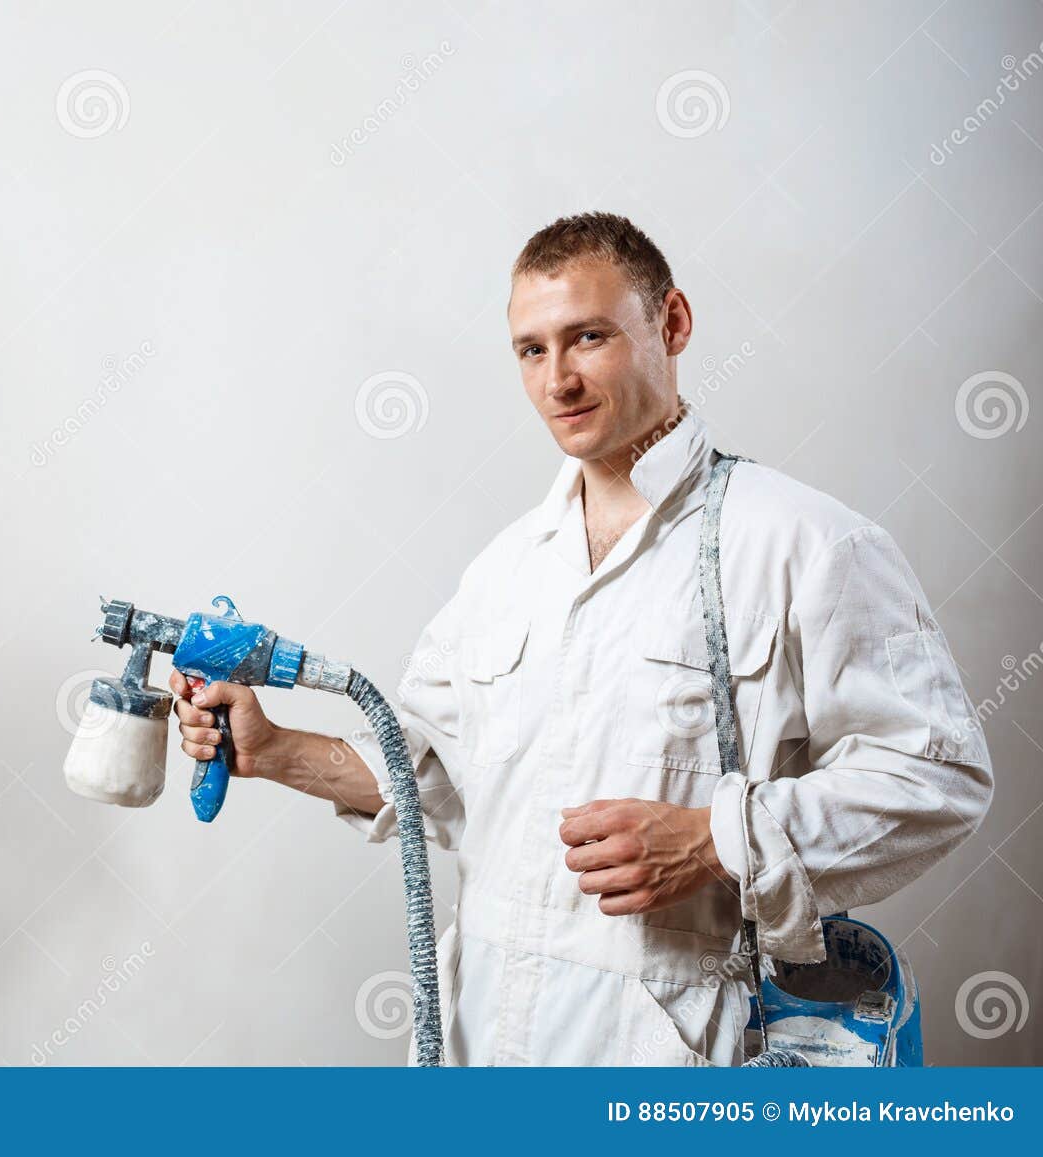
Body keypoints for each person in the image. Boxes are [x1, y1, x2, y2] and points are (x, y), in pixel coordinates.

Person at [168, 211, 994, 1066]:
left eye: (588, 336)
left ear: (671, 323)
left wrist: (717, 839)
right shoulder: (506, 570)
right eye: (531, 350)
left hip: (675, 1061)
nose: (558, 379)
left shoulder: (803, 543)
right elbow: (442, 781)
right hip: (485, 1043)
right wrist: (274, 749)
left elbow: (939, 775)